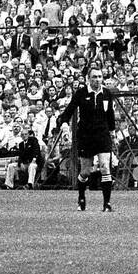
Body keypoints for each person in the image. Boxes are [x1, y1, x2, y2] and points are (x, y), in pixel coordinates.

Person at [56, 67, 119, 211]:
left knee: (105, 166)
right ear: (88, 79)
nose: (97, 79)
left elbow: (110, 115)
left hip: (102, 135)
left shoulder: (107, 94)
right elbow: (68, 112)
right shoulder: (81, 93)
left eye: (100, 76)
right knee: (85, 171)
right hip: (85, 135)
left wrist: (113, 134)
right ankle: (81, 197)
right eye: (94, 77)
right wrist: (65, 126)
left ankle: (107, 204)